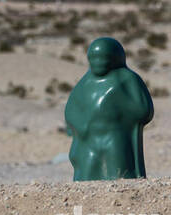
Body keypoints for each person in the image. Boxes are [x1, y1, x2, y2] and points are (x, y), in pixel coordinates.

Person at [64, 37, 154, 181]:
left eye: (103, 58)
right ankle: (85, 202)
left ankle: (120, 201)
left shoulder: (127, 79)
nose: (98, 62)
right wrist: (79, 126)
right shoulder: (85, 83)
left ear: (115, 57)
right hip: (89, 140)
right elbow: (71, 109)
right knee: (86, 176)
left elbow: (144, 110)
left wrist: (118, 106)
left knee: (119, 174)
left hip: (115, 137)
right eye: (94, 58)